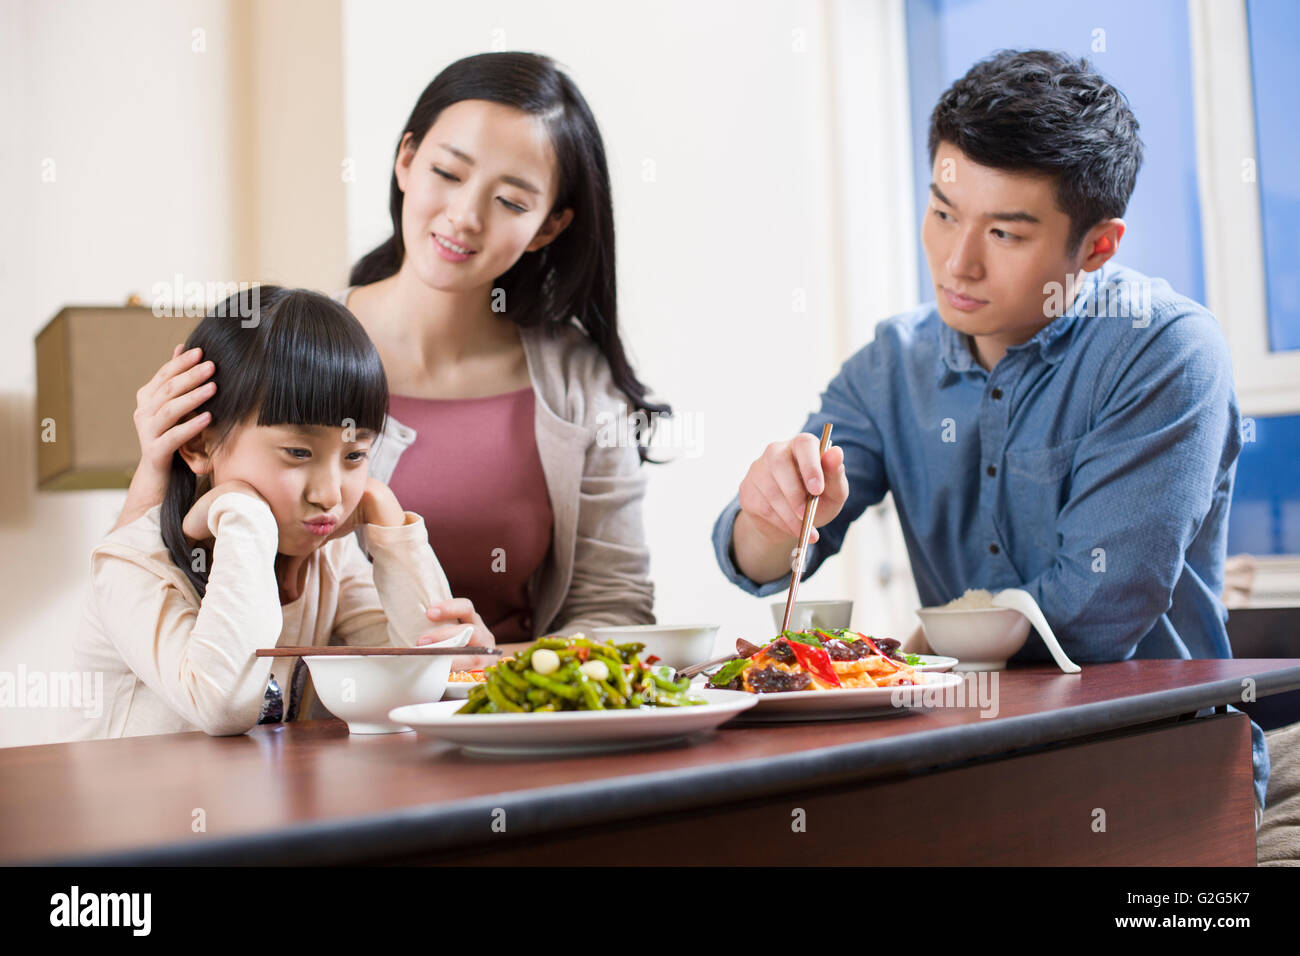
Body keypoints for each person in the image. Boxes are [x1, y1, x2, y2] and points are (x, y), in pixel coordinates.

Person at [711, 49, 1270, 817]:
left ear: (1099, 246)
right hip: (963, 761)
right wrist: (770, 518)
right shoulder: (891, 364)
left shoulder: (1163, 349)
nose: (956, 262)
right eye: (943, 213)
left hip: (1152, 765)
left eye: (1005, 234)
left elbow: (1094, 613)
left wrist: (896, 658)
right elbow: (764, 562)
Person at [114, 53, 665, 672]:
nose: (465, 216)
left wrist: (501, 670)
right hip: (323, 726)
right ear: (406, 160)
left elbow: (614, 606)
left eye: (511, 201)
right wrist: (152, 469)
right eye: (447, 173)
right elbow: (165, 590)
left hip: (517, 716)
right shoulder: (288, 352)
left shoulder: (580, 383)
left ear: (549, 225)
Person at [70, 287, 460, 739]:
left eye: (354, 456)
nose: (329, 494)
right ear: (200, 444)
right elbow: (223, 705)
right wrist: (244, 514)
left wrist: (386, 514)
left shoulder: (329, 560)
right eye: (297, 451)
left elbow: (421, 683)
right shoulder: (130, 564)